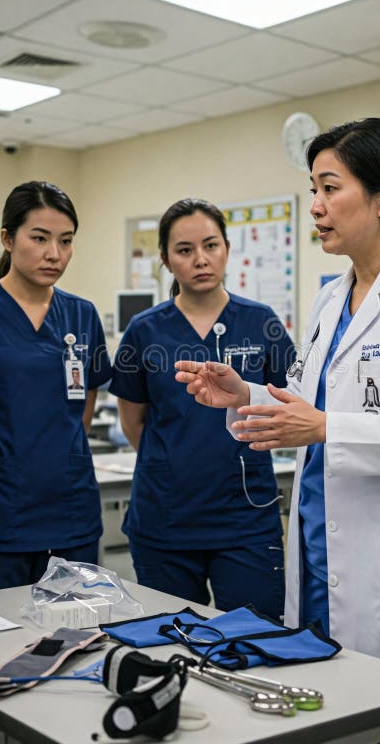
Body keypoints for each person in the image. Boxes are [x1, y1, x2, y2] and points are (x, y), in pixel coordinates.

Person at [176, 119, 380, 741]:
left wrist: (322, 427)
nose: (315, 205)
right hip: (320, 561)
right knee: (337, 718)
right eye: (313, 189)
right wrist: (247, 395)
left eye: (329, 187)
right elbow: (310, 404)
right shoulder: (328, 300)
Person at [109, 198, 295, 618]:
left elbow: (290, 404)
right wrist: (173, 463)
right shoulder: (144, 330)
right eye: (184, 250)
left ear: (227, 248)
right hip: (165, 520)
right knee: (172, 641)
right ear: (165, 259)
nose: (200, 259)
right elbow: (133, 422)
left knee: (254, 639)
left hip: (245, 519)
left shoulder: (261, 323)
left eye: (211, 245)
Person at [0, 181, 112, 595]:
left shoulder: (82, 315)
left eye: (66, 241)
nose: (55, 253)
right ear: (8, 239)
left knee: (74, 631)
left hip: (70, 517)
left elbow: (82, 412)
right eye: (40, 238)